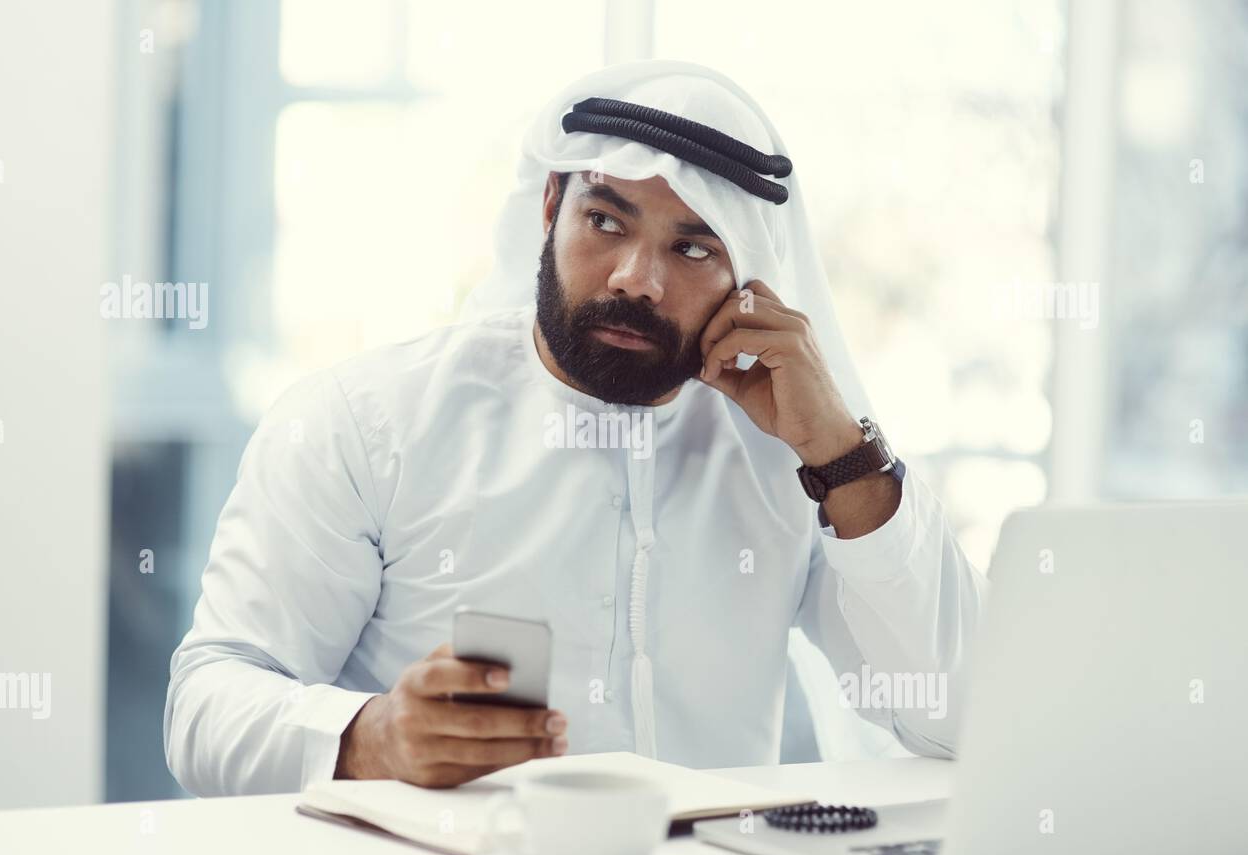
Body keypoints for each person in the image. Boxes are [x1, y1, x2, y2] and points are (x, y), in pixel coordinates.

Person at [164, 60, 987, 796]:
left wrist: (844, 456)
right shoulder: (363, 422)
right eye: (607, 221)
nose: (638, 278)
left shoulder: (789, 459)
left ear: (749, 279)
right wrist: (368, 738)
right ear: (551, 205)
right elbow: (205, 704)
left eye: (693, 250)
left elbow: (959, 720)